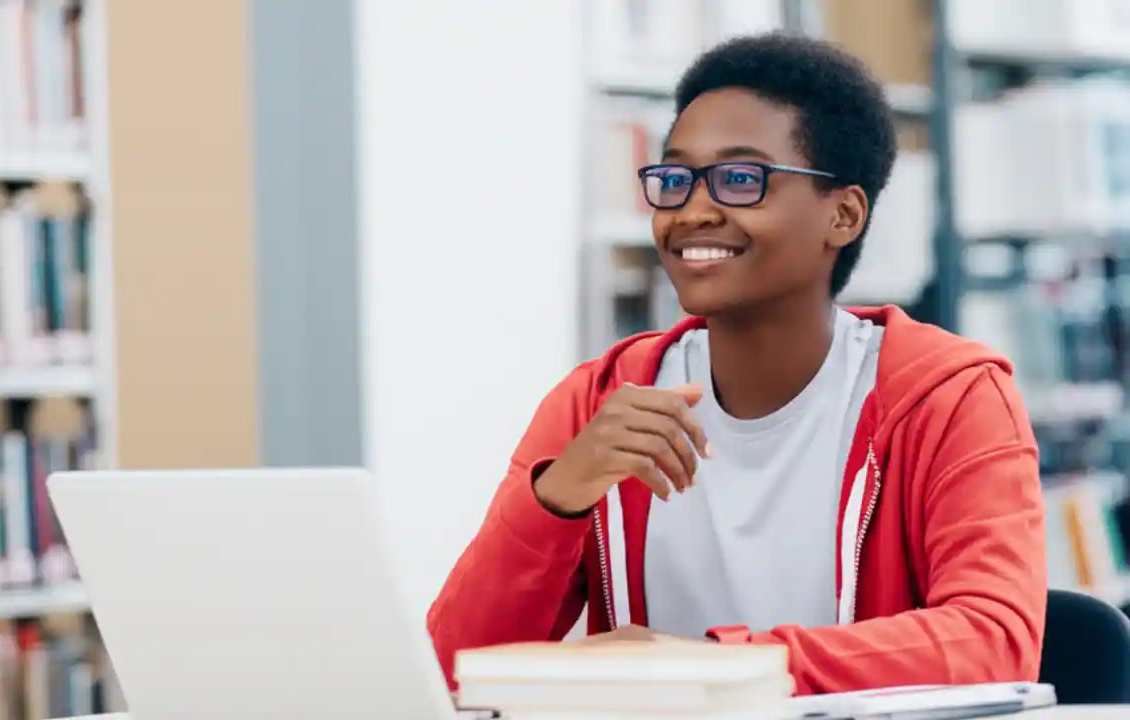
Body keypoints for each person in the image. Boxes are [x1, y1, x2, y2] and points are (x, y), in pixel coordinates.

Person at [427, 33, 1046, 696]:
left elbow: (993, 640)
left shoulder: (946, 396)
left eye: (740, 180)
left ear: (842, 214)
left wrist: (716, 668)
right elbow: (449, 673)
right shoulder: (599, 401)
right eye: (674, 179)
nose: (692, 211)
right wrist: (555, 499)